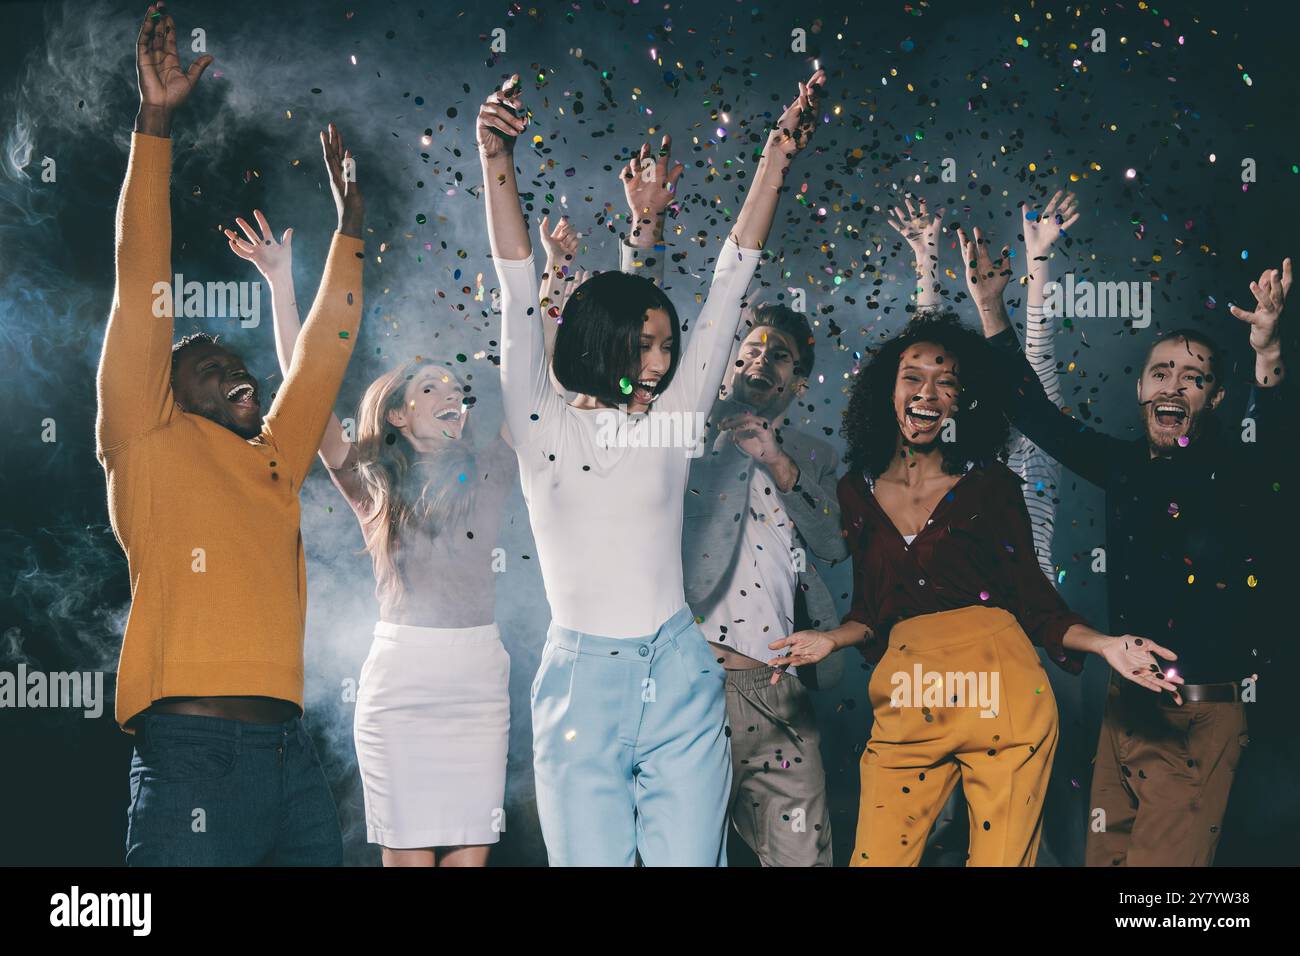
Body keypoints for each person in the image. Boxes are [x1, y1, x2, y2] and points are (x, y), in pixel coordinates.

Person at [477, 68, 823, 865]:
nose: (665, 361)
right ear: (602, 342)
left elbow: (734, 276)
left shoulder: (674, 421)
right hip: (578, 688)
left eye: (670, 345)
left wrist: (776, 157)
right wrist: (497, 158)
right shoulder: (538, 421)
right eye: (647, 344)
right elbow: (516, 287)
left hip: (679, 670)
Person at [99, 3, 363, 865]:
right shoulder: (144, 437)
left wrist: (350, 229)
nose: (234, 368)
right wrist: (156, 122)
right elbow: (141, 272)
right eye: (207, 365)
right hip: (190, 761)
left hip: (291, 765)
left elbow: (322, 354)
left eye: (236, 359)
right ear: (165, 394)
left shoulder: (278, 459)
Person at [778, 311, 1181, 866]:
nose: (928, 392)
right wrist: (831, 640)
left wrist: (1108, 645)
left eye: (947, 383)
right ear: (887, 390)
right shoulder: (856, 492)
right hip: (909, 698)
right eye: (912, 377)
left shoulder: (991, 485)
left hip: (1004, 696)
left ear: (962, 403)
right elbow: (872, 610)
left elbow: (1034, 600)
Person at [965, 216, 1290, 866]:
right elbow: (1033, 414)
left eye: (1193, 377)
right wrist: (990, 307)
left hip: (1200, 718)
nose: (1173, 384)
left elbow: (1270, 431)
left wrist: (1267, 353)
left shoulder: (1234, 468)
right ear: (1141, 390)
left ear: (1216, 398)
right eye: (1161, 372)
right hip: (1124, 714)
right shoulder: (1125, 467)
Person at [224, 214, 515, 868]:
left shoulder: (491, 470)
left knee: (469, 863)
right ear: (399, 414)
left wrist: (542, 290)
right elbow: (307, 387)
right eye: (430, 387)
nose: (452, 396)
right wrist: (279, 283)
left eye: (456, 389)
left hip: (478, 680)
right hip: (401, 683)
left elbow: (530, 386)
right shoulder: (371, 484)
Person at [615, 137, 844, 866]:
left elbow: (836, 546)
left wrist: (775, 460)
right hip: (690, 684)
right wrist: (643, 233)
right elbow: (632, 343)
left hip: (779, 692)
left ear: (797, 380)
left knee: (802, 859)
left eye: (776, 356)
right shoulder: (679, 425)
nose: (755, 361)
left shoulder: (811, 456)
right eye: (747, 348)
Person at [890, 192, 1081, 864]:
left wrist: (1038, 266)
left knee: (1024, 830)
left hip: (1021, 649)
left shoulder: (1033, 459)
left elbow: (1040, 362)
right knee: (933, 829)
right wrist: (924, 262)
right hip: (942, 659)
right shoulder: (944, 461)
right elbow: (925, 369)